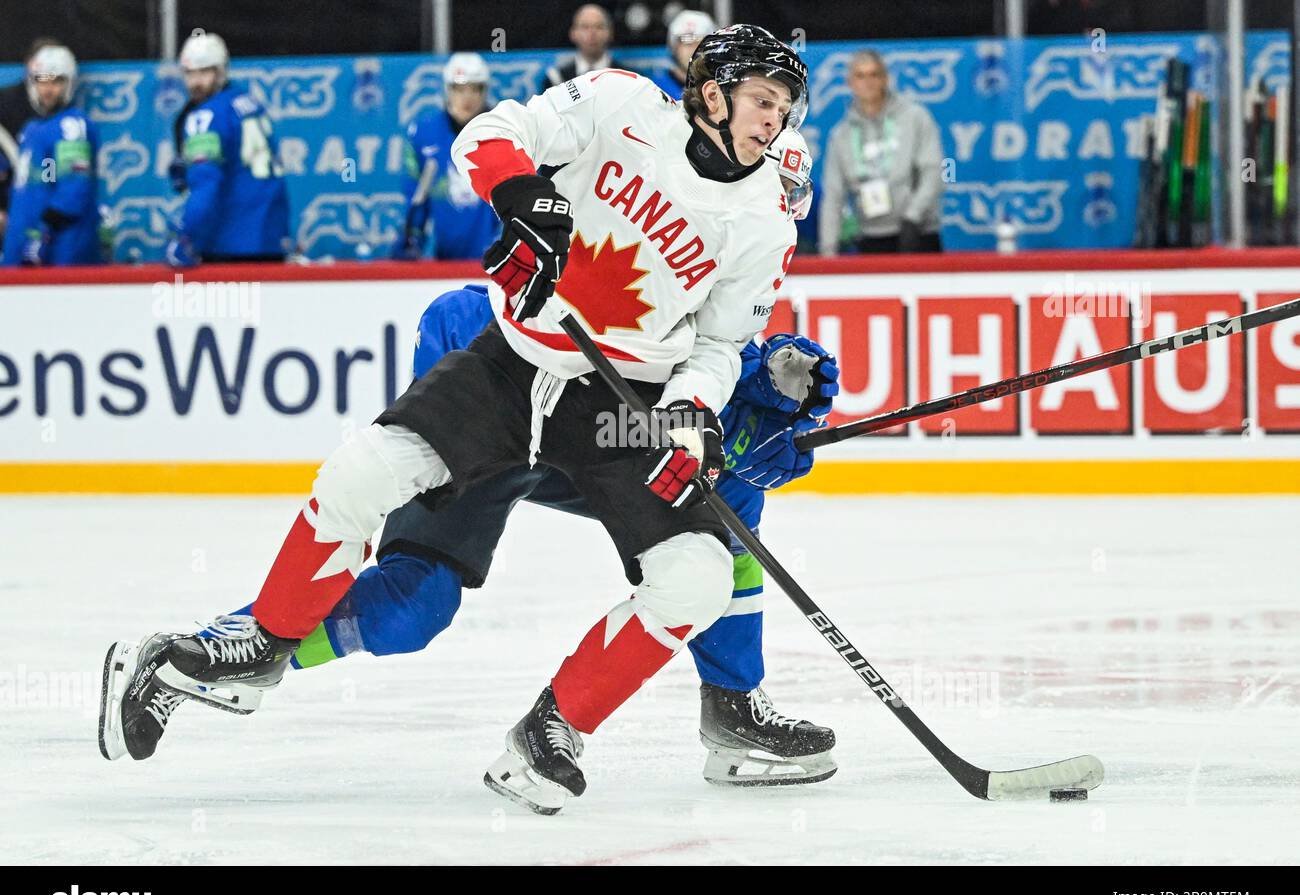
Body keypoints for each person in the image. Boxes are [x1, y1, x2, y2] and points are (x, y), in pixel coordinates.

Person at [100, 25, 810, 815]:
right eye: (762, 101)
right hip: (509, 368)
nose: (773, 122)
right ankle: (258, 640)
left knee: (699, 574)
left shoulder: (764, 220)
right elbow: (492, 133)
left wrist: (689, 414)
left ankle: (552, 730)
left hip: (619, 407)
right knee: (366, 476)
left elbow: (716, 345)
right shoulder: (621, 104)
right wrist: (519, 192)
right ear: (712, 93)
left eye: (783, 109)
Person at [166, 29, 290, 266]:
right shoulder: (249, 103)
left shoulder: (206, 115)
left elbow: (206, 186)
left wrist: (188, 237)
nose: (196, 82)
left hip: (232, 239)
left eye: (205, 72)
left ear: (221, 72)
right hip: (270, 233)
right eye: (190, 73)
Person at [818, 49, 944, 256]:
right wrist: (827, 250)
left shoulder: (915, 118)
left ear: (886, 78)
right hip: (871, 237)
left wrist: (913, 216)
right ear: (850, 83)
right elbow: (833, 195)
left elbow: (932, 172)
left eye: (874, 74)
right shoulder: (841, 134)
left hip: (917, 232)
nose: (868, 82)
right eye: (860, 75)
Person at [392, 53, 500, 261]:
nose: (467, 97)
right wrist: (411, 238)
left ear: (484, 91)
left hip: (496, 253)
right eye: (459, 89)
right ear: (447, 90)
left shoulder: (503, 131)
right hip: (444, 256)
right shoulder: (423, 133)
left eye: (475, 88)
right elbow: (415, 194)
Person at [0, 44, 101, 267]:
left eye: (56, 81)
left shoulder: (71, 127)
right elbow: (47, 176)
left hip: (58, 250)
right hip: (22, 243)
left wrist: (42, 233)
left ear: (69, 83)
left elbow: (73, 190)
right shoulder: (33, 128)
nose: (47, 89)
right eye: (41, 80)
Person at [0, 38, 60, 245]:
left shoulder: (65, 117)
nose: (48, 87)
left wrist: (52, 212)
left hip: (41, 206)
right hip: (10, 201)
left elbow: (50, 167)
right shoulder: (6, 102)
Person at [542, 4, 629, 91]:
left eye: (599, 27)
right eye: (585, 27)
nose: (592, 33)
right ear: (573, 33)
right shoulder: (556, 80)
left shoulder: (628, 79)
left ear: (610, 33)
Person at [650, 9, 717, 100]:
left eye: (699, 42)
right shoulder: (654, 89)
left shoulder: (719, 89)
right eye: (686, 41)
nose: (694, 49)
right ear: (674, 46)